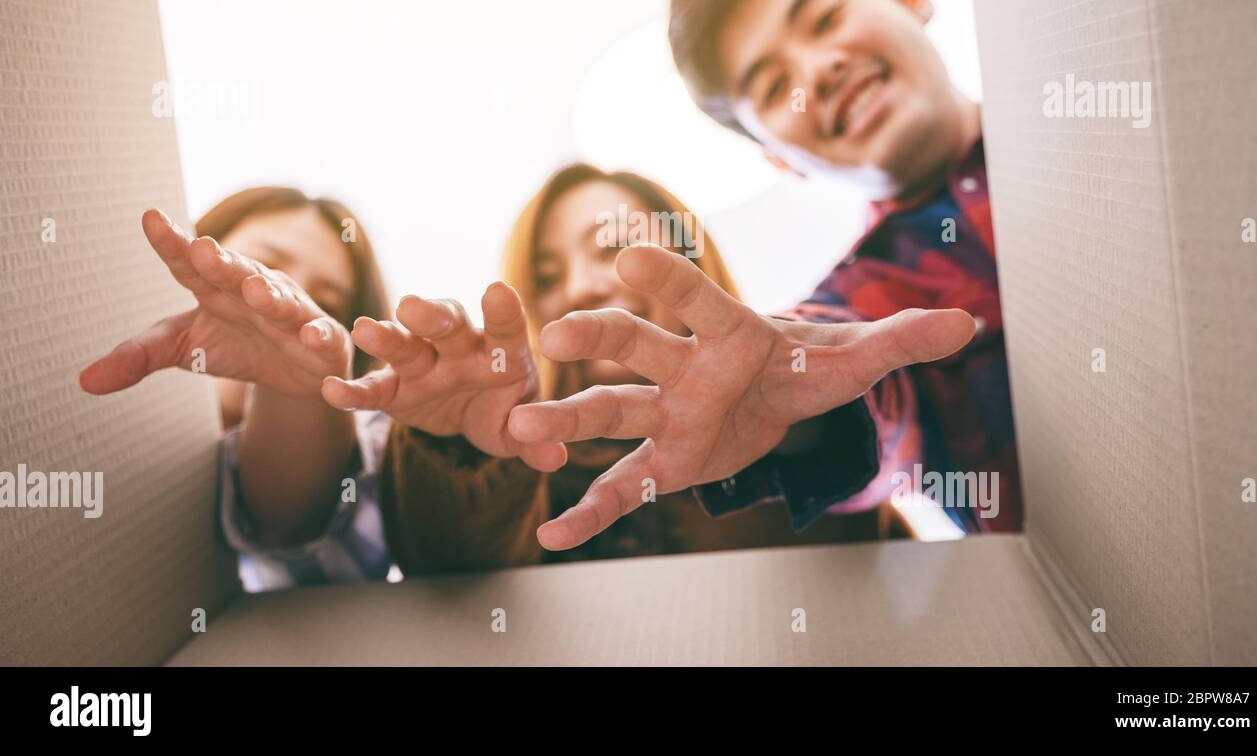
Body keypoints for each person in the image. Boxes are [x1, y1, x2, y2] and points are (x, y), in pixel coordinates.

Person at [327, 163, 972, 570]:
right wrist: (454, 450)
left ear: (689, 257)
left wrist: (797, 430)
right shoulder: (524, 474)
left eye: (609, 245)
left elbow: (889, 455)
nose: (578, 286)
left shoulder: (787, 370)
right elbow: (450, 574)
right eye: (546, 275)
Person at [663, 0, 1021, 534]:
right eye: (775, 88)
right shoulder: (863, 308)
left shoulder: (1100, 98)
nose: (817, 73)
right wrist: (785, 398)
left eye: (824, 20)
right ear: (779, 158)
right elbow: (855, 400)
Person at [79, 187, 394, 590]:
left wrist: (300, 386)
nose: (286, 303)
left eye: (326, 306)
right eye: (261, 268)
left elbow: (287, 519)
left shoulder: (364, 450)